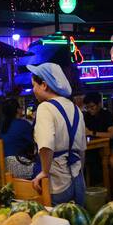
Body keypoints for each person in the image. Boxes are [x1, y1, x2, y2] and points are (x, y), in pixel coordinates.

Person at [28, 62, 86, 205]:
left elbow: (46, 145)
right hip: (78, 180)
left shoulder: (45, 108)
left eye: (34, 85)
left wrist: (44, 172)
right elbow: (82, 149)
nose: (33, 90)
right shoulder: (75, 109)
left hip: (56, 183)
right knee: (74, 224)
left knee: (53, 224)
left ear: (44, 85)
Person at [80, 90, 113, 172]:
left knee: (112, 162)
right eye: (87, 107)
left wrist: (92, 133)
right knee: (81, 160)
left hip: (112, 145)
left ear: (99, 104)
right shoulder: (87, 116)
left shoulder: (107, 115)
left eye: (92, 107)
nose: (89, 109)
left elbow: (111, 135)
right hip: (96, 146)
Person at [0, 98, 34, 179]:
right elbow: (34, 142)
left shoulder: (3, 127)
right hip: (17, 166)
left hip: (4, 167)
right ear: (18, 110)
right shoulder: (23, 124)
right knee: (42, 169)